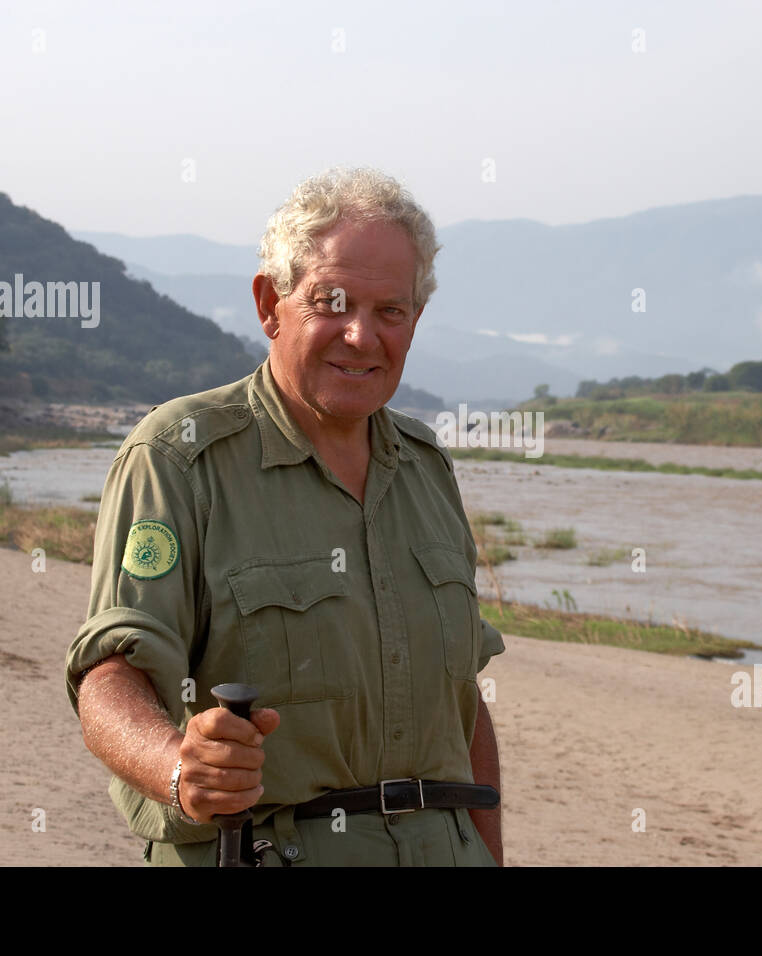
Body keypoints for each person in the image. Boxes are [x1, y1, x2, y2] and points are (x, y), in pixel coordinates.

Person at [64, 167, 505, 866]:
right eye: (332, 302)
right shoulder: (179, 456)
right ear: (271, 304)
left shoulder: (427, 467)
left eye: (390, 311)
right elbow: (111, 674)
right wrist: (182, 768)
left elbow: (466, 707)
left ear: (414, 320)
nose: (361, 336)